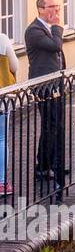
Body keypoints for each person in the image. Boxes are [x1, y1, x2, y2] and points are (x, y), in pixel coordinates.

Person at [25, 0, 66, 197]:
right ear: (40, 9)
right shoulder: (33, 31)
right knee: (50, 123)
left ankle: (53, 164)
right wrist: (58, 28)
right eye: (51, 7)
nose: (55, 10)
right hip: (43, 85)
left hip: (55, 83)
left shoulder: (47, 28)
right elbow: (55, 47)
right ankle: (43, 167)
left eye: (57, 6)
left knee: (56, 124)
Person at [0, 29, 18, 194]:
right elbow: (15, 66)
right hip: (2, 98)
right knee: (1, 139)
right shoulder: (2, 39)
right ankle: (1, 182)